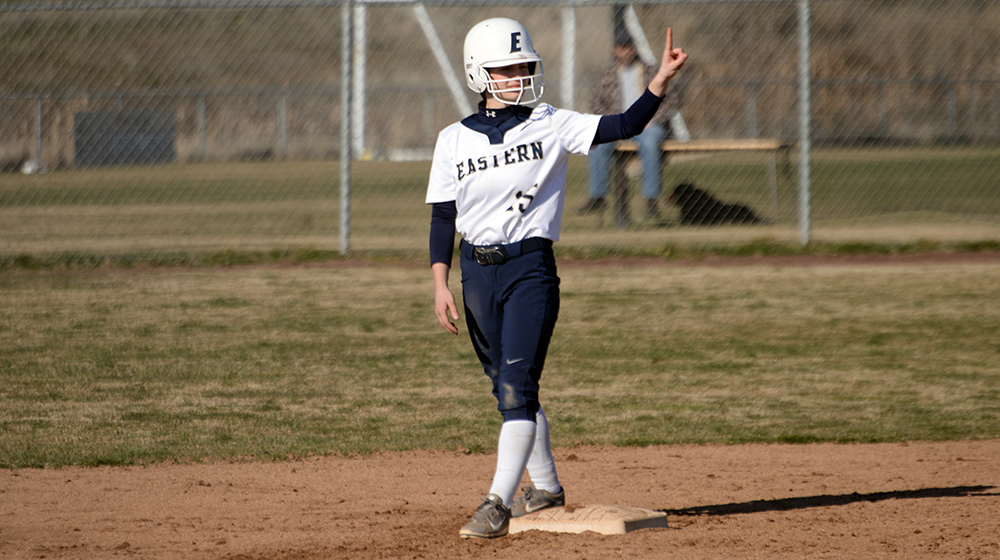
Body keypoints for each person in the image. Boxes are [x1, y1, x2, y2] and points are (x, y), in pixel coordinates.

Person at [425, 17, 687, 539]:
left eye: (524, 65)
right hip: (476, 274)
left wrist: (658, 81)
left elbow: (624, 126)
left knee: (518, 387)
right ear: (479, 74)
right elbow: (441, 217)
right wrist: (439, 282)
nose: (520, 74)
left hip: (529, 270)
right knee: (507, 390)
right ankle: (544, 489)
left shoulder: (548, 122)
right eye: (507, 68)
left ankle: (497, 502)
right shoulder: (452, 140)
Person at [579, 31, 682, 219]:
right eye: (620, 47)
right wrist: (610, 120)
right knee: (597, 142)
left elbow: (672, 99)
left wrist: (653, 119)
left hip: (647, 126)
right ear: (614, 50)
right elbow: (595, 102)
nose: (624, 51)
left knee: (651, 142)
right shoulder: (608, 74)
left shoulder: (651, 71)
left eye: (628, 46)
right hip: (618, 125)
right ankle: (598, 197)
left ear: (634, 49)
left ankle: (651, 201)